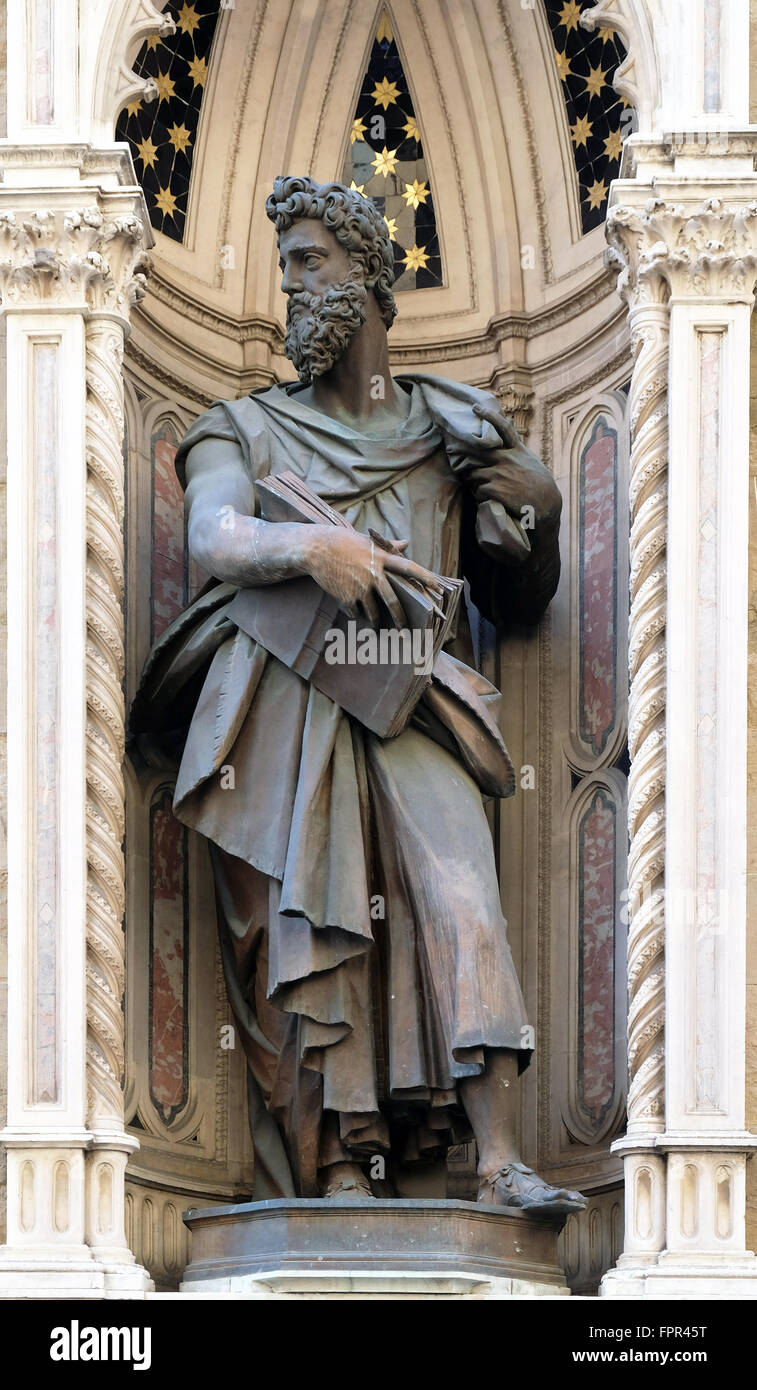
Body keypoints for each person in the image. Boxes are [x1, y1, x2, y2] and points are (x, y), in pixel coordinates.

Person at [131, 175, 585, 1213]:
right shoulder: (237, 427)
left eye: (308, 263)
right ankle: (336, 1169)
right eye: (282, 268)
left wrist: (542, 516)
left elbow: (514, 597)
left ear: (369, 274)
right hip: (284, 707)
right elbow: (214, 538)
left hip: (413, 697)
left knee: (463, 894)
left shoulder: (448, 426)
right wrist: (314, 546)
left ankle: (501, 1157)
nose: (290, 288)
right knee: (308, 936)